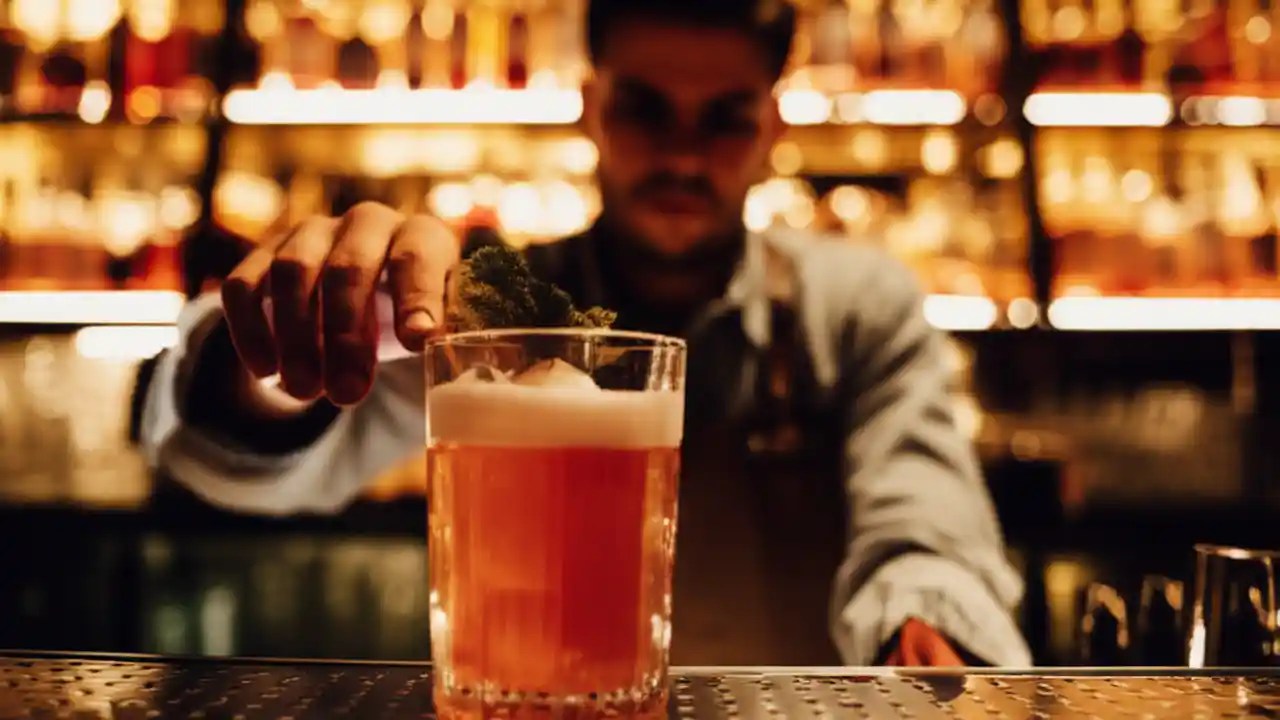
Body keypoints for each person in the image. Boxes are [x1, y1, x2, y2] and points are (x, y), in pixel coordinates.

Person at [139, 0, 1031, 668]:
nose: (683, 155)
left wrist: (929, 634)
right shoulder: (489, 311)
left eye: (724, 117)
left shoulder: (858, 302)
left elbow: (925, 515)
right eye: (646, 107)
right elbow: (248, 463)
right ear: (589, 105)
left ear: (773, 127)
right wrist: (272, 356)